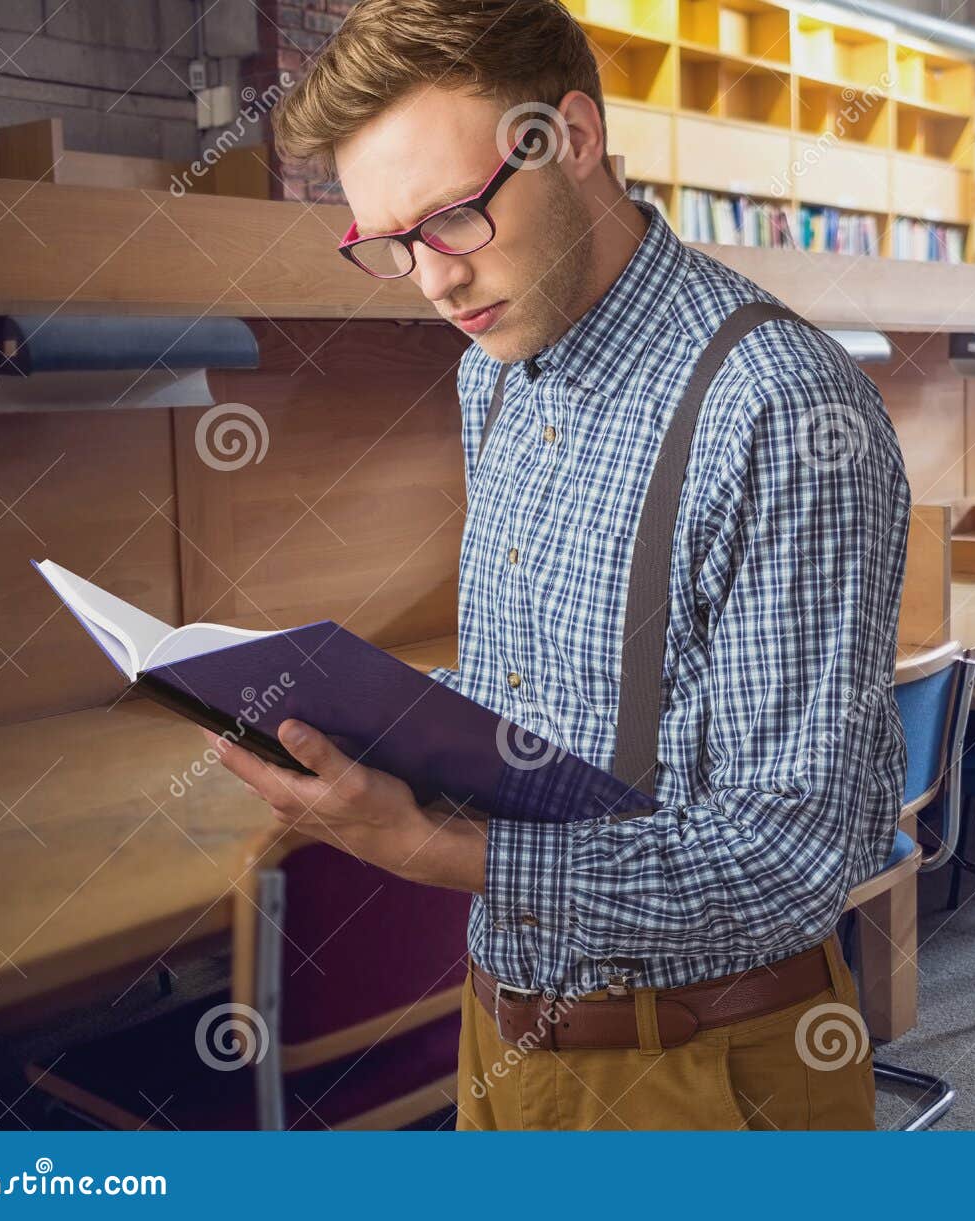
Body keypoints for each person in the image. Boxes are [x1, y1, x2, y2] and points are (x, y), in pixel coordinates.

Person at [208, 0, 910, 1130]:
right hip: (504, 1035)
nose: (431, 281)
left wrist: (434, 848)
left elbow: (789, 858)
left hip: (695, 1065)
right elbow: (537, 704)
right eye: (389, 245)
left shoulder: (778, 407)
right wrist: (381, 744)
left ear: (569, 138)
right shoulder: (497, 367)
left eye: (450, 219)